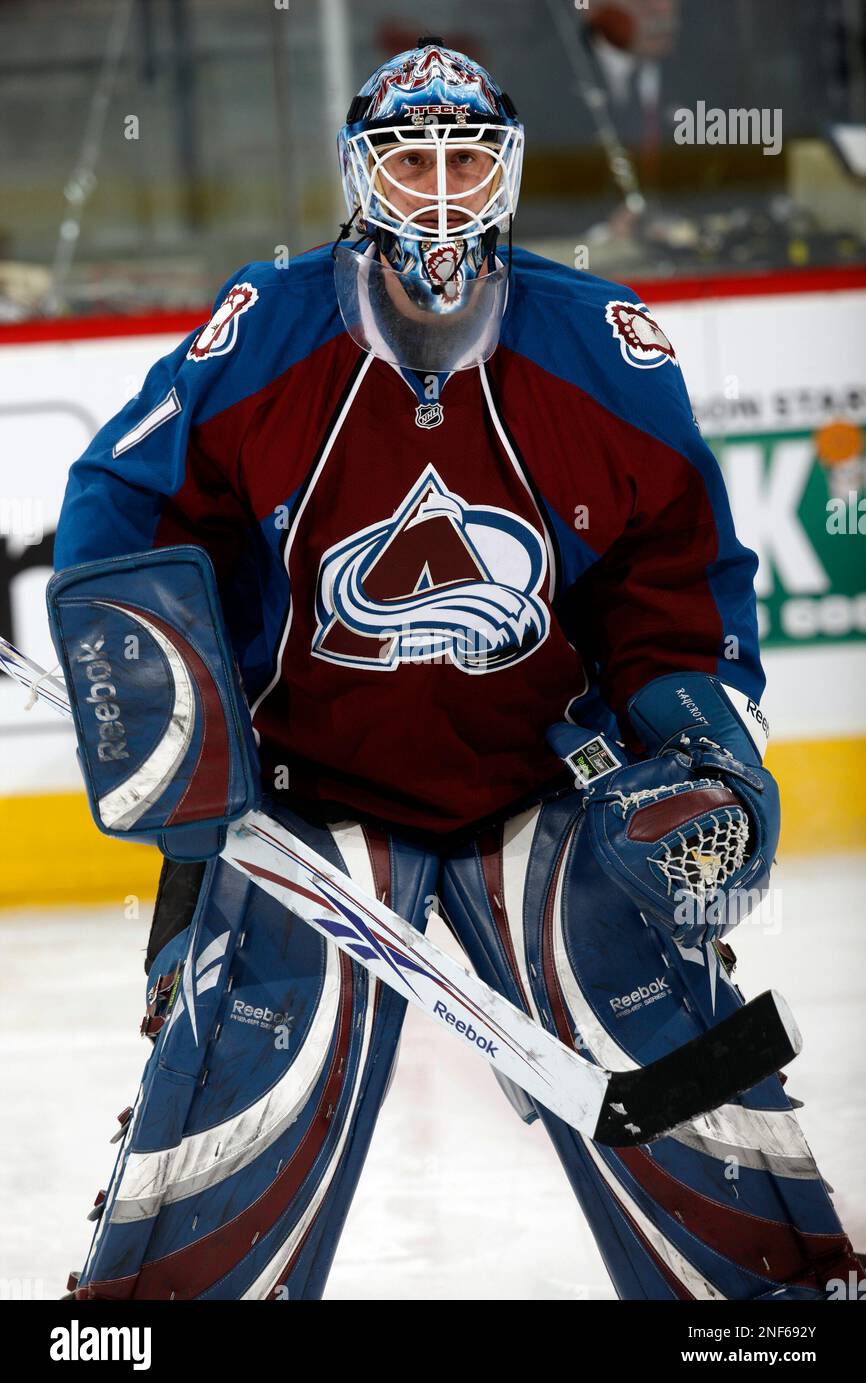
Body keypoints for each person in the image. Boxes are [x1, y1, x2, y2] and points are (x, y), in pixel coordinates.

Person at [52, 38, 862, 1301]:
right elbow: (121, 504)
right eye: (410, 158)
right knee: (238, 1072)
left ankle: (778, 1309)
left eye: (466, 157)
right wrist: (174, 708)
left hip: (546, 780)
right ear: (358, 177)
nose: (439, 190)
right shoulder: (264, 332)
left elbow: (676, 578)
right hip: (308, 798)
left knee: (662, 1033)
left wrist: (701, 738)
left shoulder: (599, 345)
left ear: (509, 173)